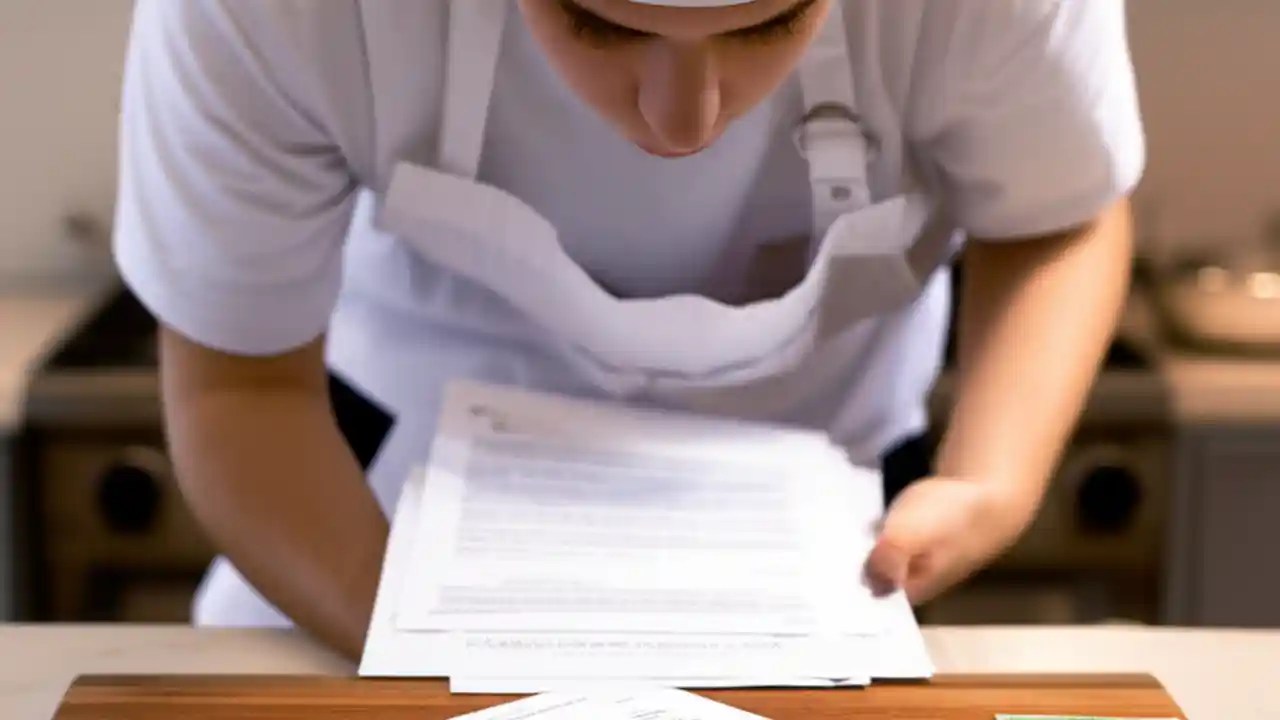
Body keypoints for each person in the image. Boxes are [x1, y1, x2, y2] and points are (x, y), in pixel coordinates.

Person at [114, 0, 1145, 660]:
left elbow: (1054, 213)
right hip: (379, 507)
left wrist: (988, 482)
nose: (683, 121)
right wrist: (408, 635)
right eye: (600, 25)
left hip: (829, 548)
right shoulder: (276, 12)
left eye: (764, 24)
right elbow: (237, 387)